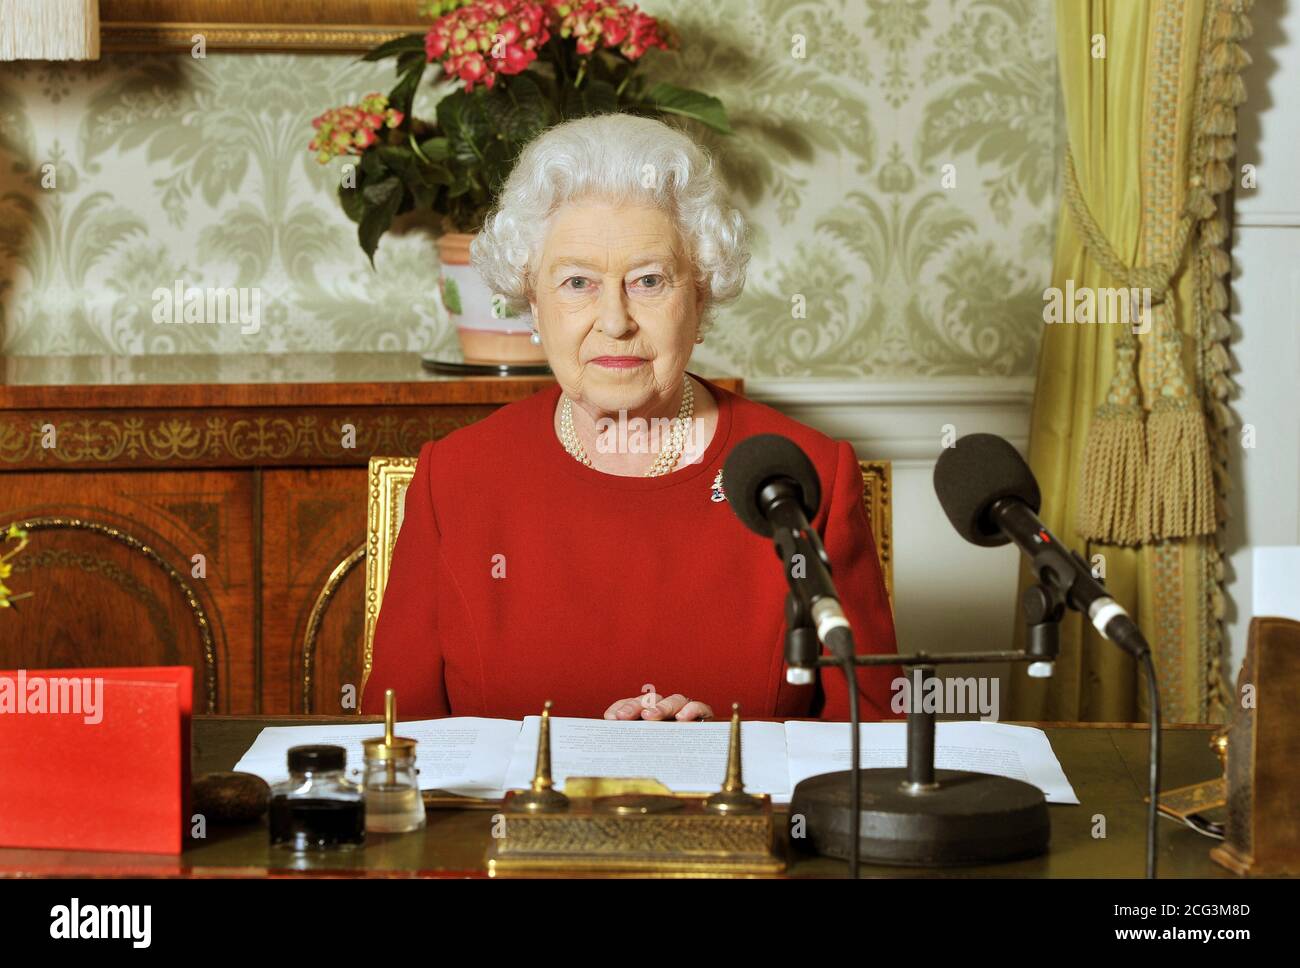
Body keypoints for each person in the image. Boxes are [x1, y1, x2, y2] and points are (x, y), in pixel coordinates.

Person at [362, 113, 897, 722]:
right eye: (577, 282)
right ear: (531, 300)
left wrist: (722, 765)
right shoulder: (457, 478)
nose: (614, 320)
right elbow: (394, 744)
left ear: (700, 297)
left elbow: (872, 742)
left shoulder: (806, 475)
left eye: (648, 280)